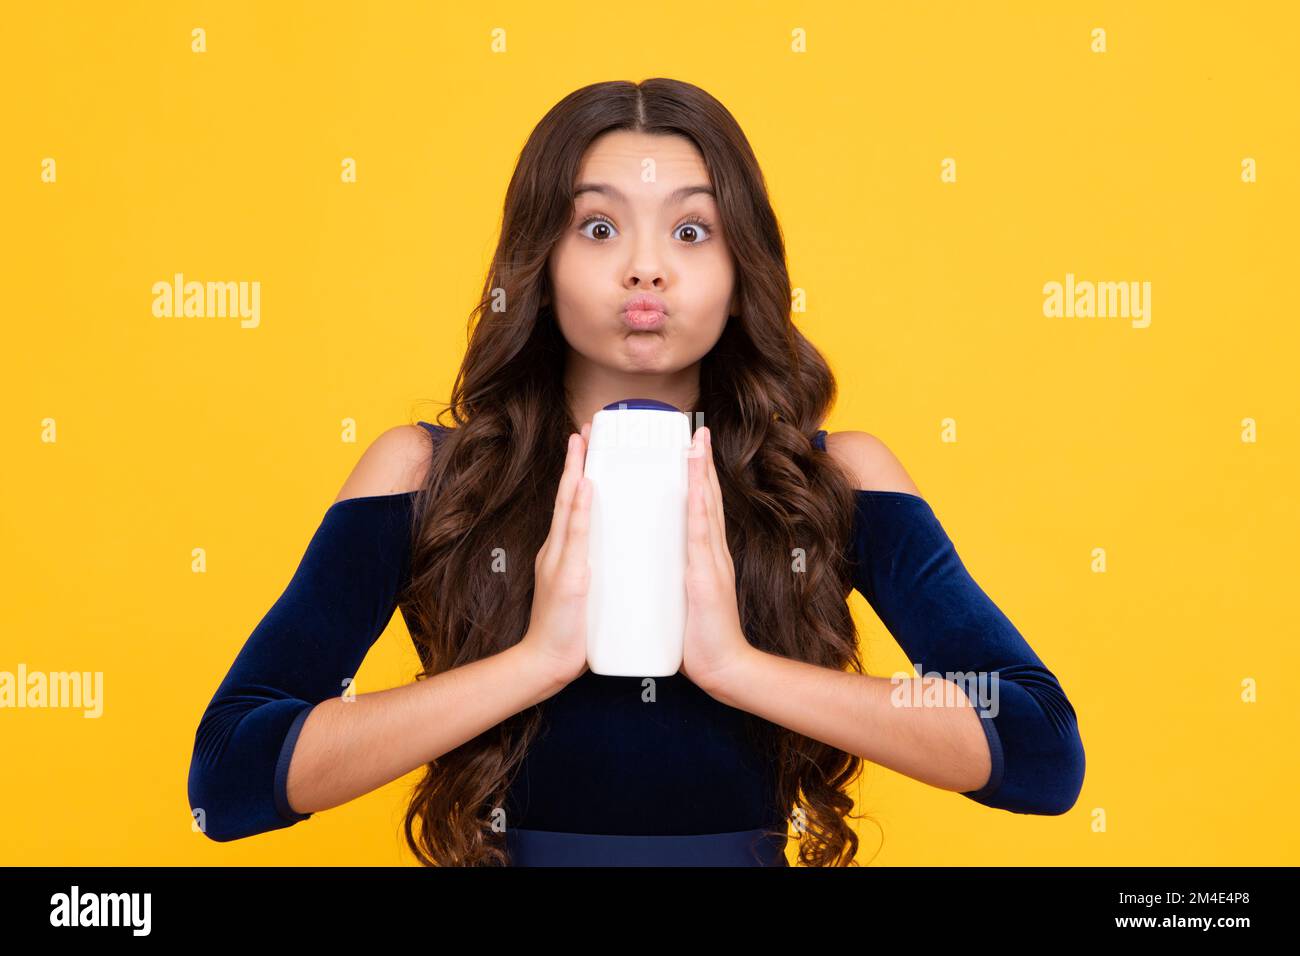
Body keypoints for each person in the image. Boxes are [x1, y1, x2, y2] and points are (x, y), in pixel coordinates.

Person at [188, 78, 1085, 866]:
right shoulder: (427, 476)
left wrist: (737, 666)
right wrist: (535, 662)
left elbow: (1041, 753)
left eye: (692, 230)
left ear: (742, 270)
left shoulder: (836, 481)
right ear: (539, 261)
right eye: (601, 226)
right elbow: (227, 778)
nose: (646, 268)